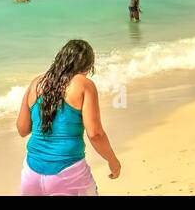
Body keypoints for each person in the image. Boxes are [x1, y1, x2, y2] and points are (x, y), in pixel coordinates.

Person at [16, 39, 120, 195]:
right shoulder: (84, 84)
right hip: (69, 174)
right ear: (87, 66)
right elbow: (95, 134)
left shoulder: (37, 83)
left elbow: (22, 129)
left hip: (31, 173)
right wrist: (113, 161)